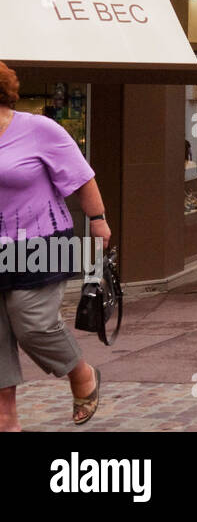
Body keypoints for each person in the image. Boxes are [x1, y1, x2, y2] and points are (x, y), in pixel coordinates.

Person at [0, 61, 112, 432]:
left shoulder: (38, 129)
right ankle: (6, 419)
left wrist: (97, 220)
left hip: (41, 240)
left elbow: (82, 176)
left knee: (33, 325)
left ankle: (81, 373)